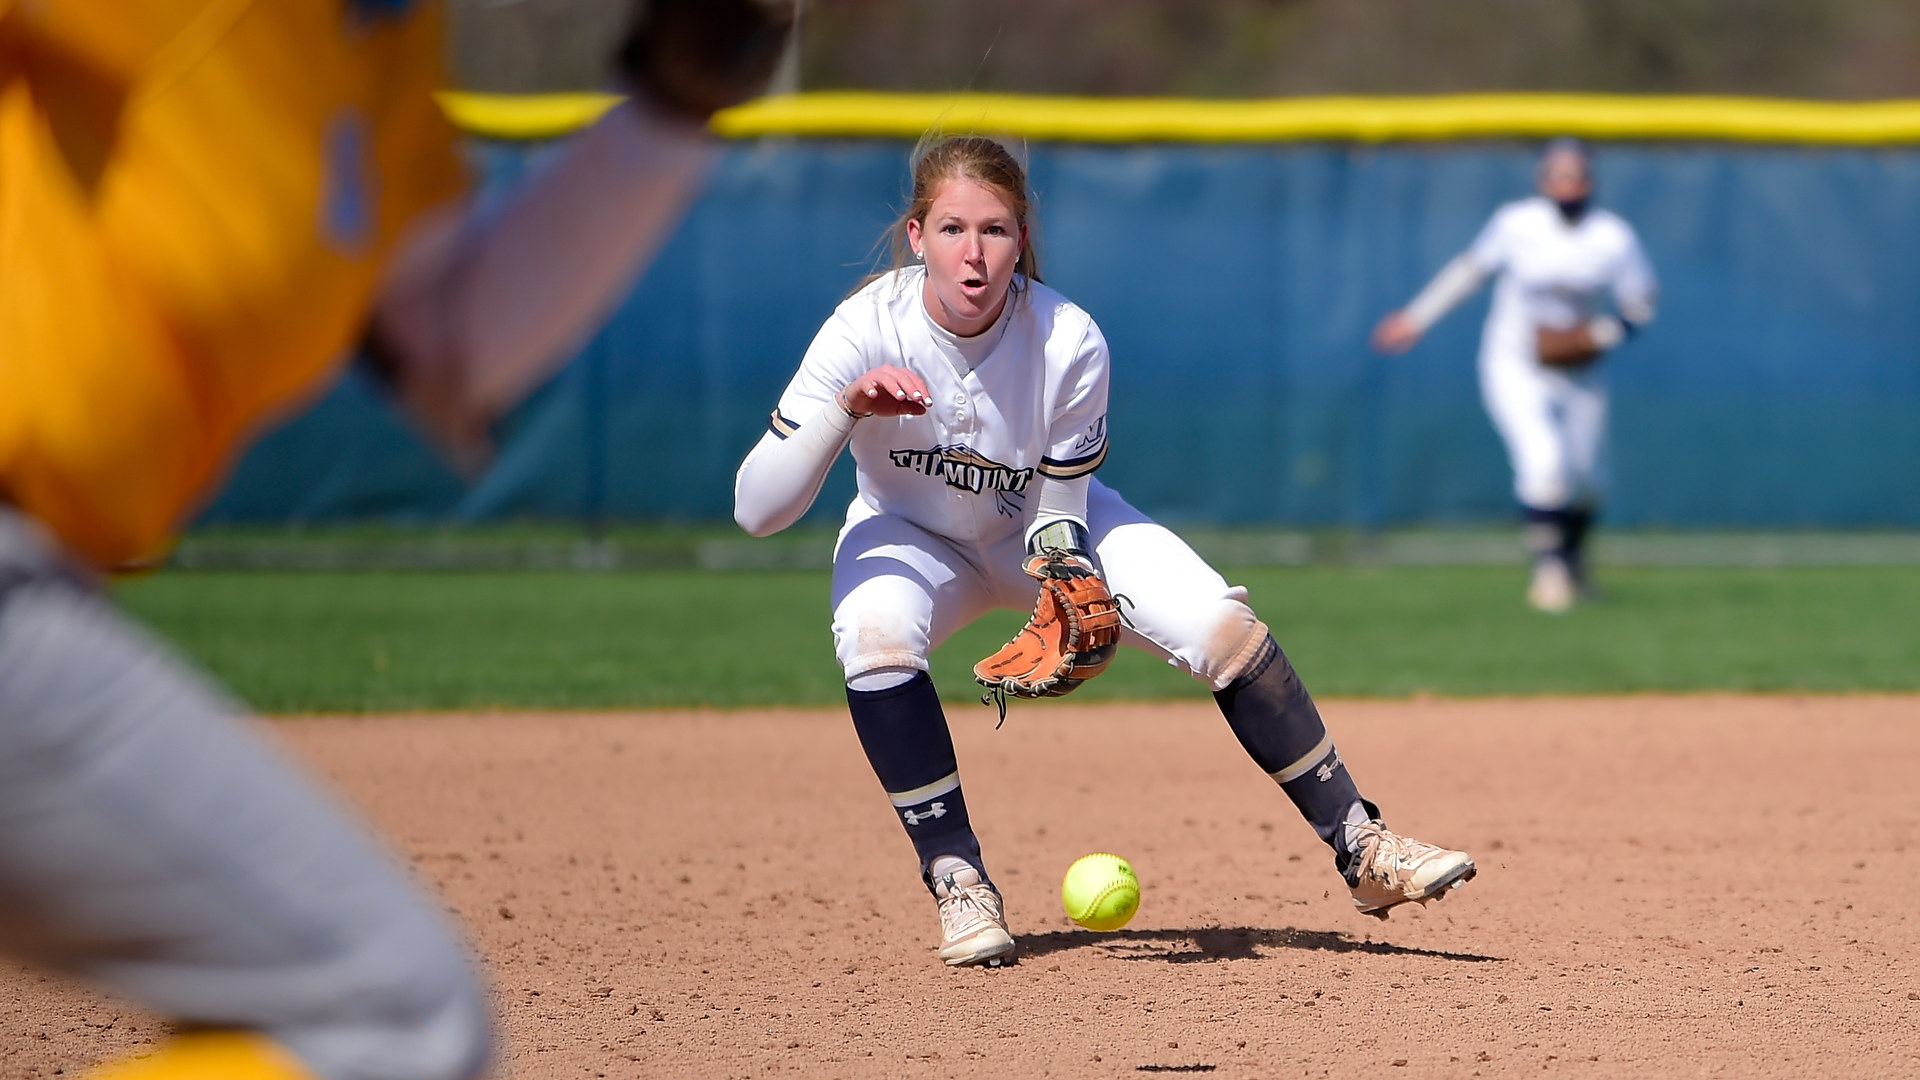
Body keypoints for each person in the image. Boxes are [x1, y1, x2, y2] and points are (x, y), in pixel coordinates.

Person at [0, 1, 791, 1078]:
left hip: (38, 581)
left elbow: (453, 331)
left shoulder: (371, 43)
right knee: (384, 1013)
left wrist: (677, 102)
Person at [733, 135, 1476, 968]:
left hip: (1040, 530)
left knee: (1216, 623)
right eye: (951, 229)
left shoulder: (1066, 339)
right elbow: (758, 510)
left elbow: (1057, 517)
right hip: (911, 533)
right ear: (916, 236)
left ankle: (1362, 846)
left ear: (1023, 236)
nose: (973, 254)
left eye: (996, 229)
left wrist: (1070, 585)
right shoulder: (864, 328)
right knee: (873, 638)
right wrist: (847, 406)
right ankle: (956, 877)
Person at [1372, 137, 1659, 613]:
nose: (1569, 184)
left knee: (1588, 480)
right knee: (1544, 463)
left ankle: (1573, 560)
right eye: (1559, 175)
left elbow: (1641, 302)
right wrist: (1416, 317)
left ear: (1591, 180)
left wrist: (1599, 335)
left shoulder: (1612, 236)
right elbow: (1470, 271)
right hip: (1514, 363)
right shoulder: (1517, 224)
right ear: (1543, 180)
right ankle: (1550, 572)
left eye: (1577, 174)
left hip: (1579, 370)